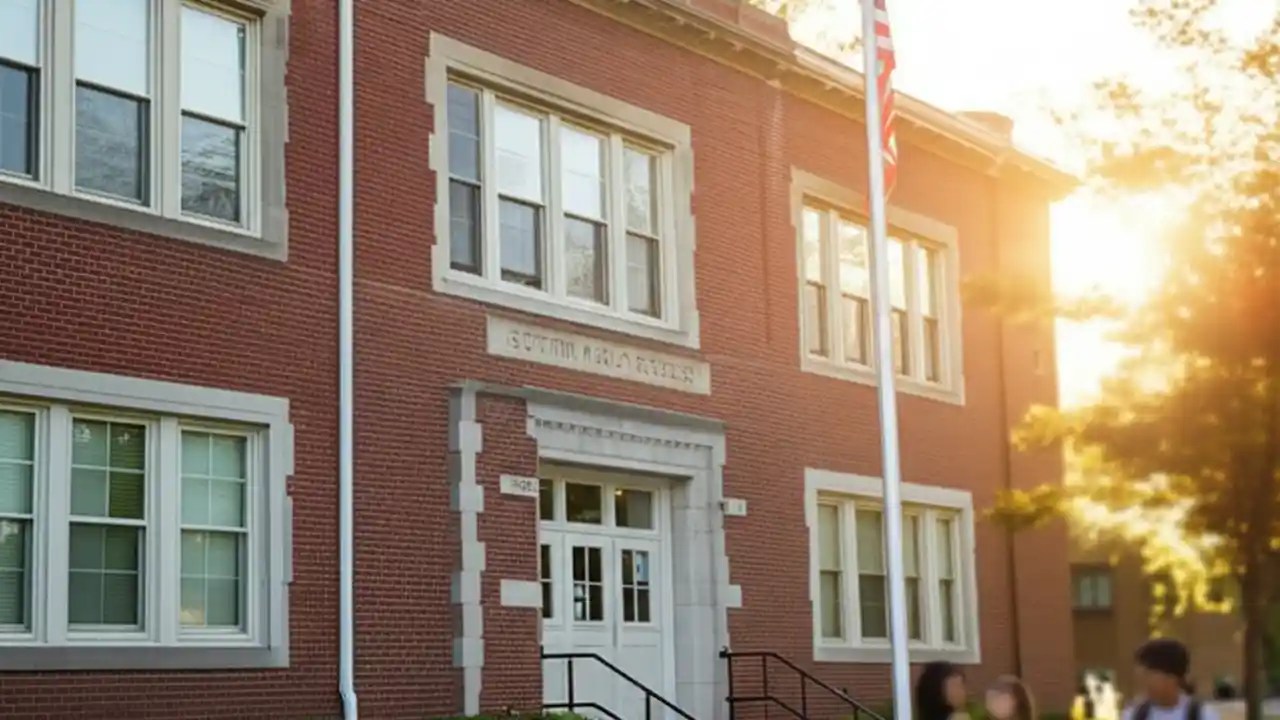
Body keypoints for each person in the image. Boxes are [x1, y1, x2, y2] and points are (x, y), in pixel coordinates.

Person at [1123, 638, 1221, 720]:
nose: (1143, 682)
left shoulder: (1201, 715)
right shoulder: (1134, 715)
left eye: (1148, 675)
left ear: (1172, 677)